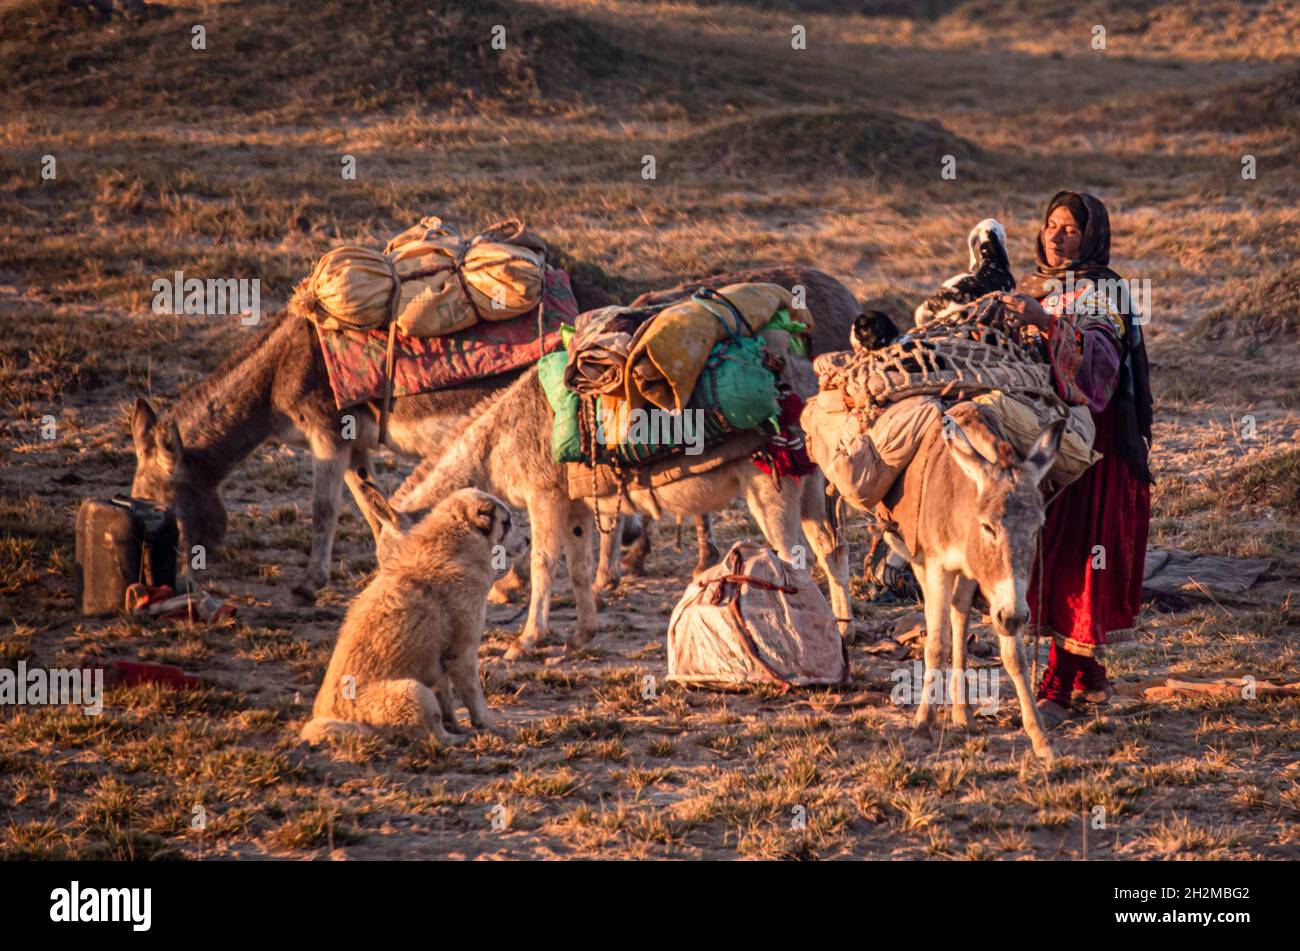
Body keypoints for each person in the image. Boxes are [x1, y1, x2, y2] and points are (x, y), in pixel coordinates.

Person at [1000, 191, 1154, 727]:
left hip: (1096, 445)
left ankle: (1058, 686)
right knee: (1046, 550)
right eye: (1051, 225)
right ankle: (1089, 677)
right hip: (1042, 439)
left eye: (1070, 228)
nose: (1057, 235)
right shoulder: (1032, 286)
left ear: (1091, 236)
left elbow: (1100, 378)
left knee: (1080, 558)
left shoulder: (1104, 289)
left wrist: (1045, 324)